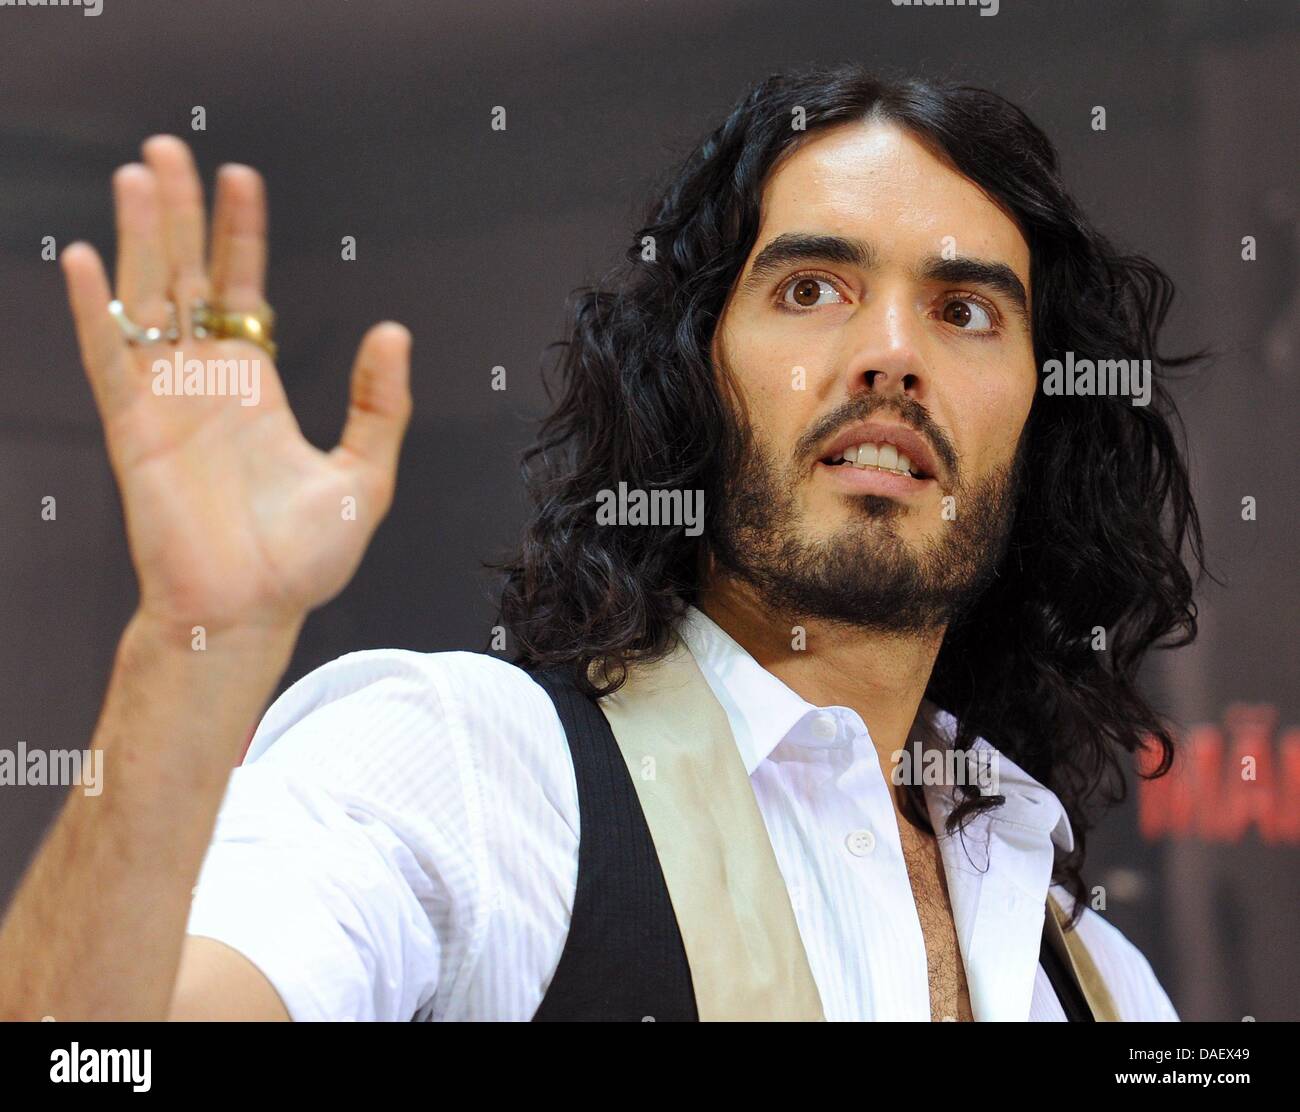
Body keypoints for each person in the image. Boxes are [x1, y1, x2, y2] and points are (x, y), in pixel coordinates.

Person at [0, 64, 1201, 1021]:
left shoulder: (1089, 968)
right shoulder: (477, 773)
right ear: (693, 373)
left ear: (1039, 414)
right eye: (810, 289)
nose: (892, 351)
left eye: (965, 310)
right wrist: (190, 645)